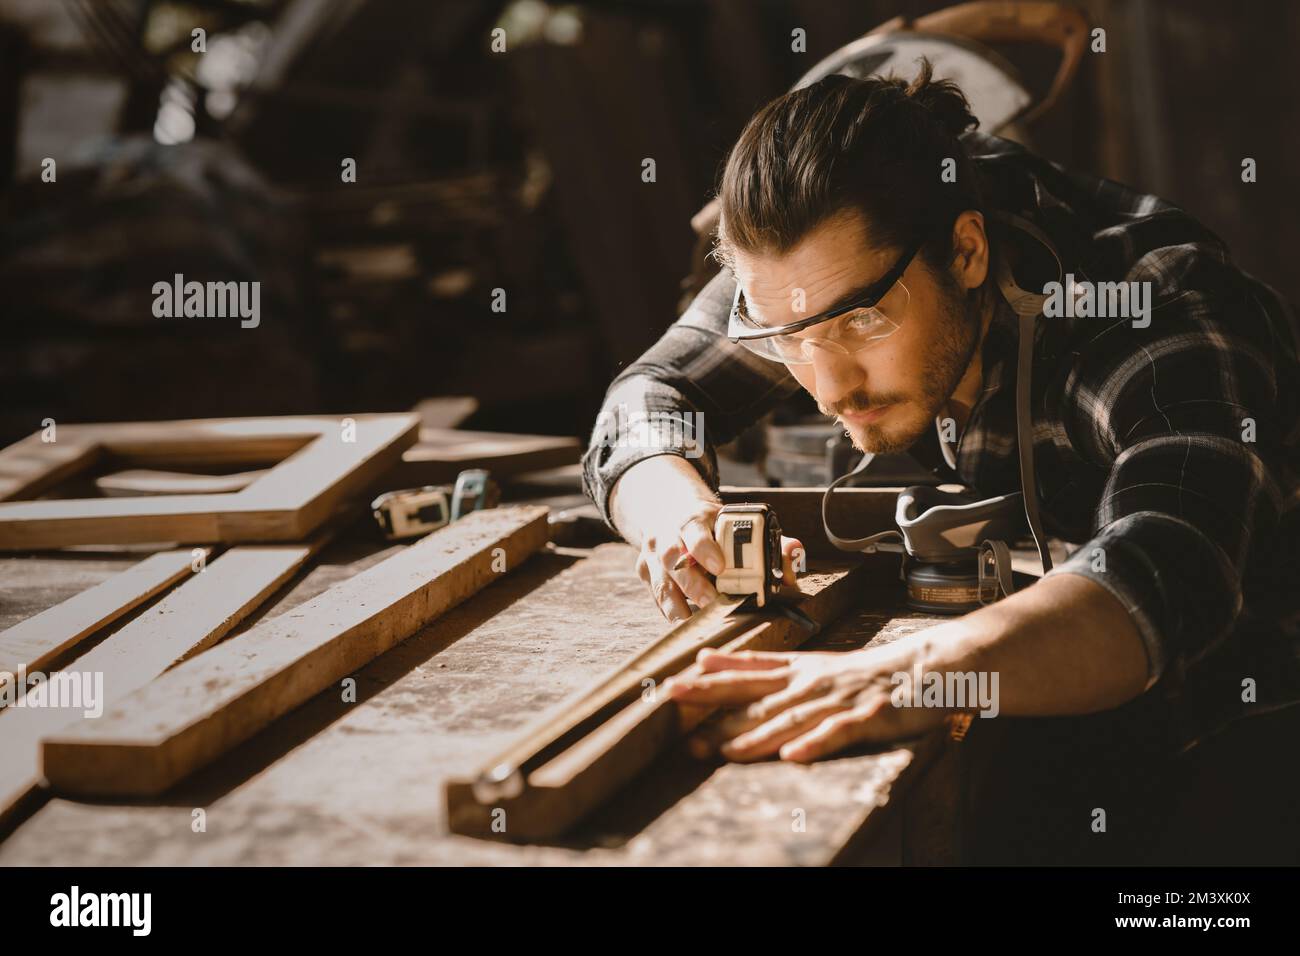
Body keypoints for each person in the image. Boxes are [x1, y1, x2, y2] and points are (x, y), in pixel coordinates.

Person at [581, 63, 1300, 766]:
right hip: (1060, 684)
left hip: (1253, 726)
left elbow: (1166, 565)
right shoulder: (814, 269)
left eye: (861, 322)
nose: (831, 387)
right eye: (786, 340)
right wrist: (681, 515)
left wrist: (913, 673)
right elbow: (648, 397)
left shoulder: (1145, 309)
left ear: (966, 252)